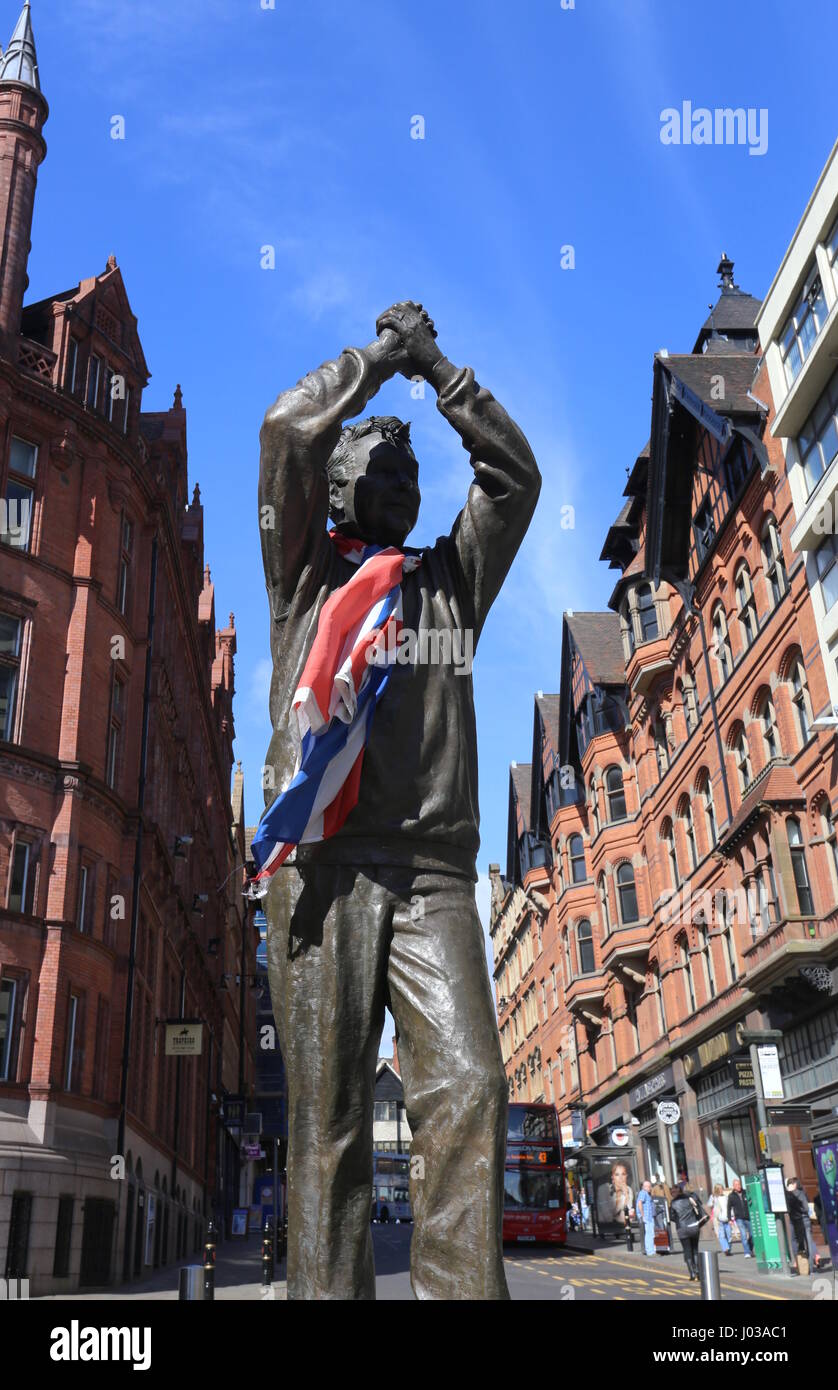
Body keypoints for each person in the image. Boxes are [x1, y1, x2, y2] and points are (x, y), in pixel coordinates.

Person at [255, 301, 540, 1301]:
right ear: (338, 483)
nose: (403, 482)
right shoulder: (305, 574)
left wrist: (440, 374)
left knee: (469, 1089)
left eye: (413, 472)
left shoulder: (449, 580)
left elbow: (515, 478)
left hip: (432, 878)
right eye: (381, 464)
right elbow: (288, 429)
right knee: (328, 1131)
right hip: (324, 875)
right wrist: (377, 361)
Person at [670, 1183, 706, 1280]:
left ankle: (692, 1273)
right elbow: (698, 1207)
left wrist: (679, 1220)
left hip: (682, 1228)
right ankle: (698, 1272)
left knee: (687, 1250)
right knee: (695, 1249)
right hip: (693, 1226)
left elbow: (672, 1217)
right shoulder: (689, 1198)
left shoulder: (673, 1203)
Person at [786, 1176, 820, 1271]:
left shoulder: (789, 1195)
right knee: (809, 1239)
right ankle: (815, 1256)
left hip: (795, 1220)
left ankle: (798, 1260)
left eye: (789, 1184)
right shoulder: (802, 1193)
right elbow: (806, 1207)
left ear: (794, 1185)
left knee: (794, 1240)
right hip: (805, 1219)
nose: (788, 1186)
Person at [728, 1178, 752, 1258]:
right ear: (733, 1186)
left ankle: (750, 1249)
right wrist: (729, 1219)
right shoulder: (731, 1196)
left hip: (748, 1217)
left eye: (739, 1184)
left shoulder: (746, 1192)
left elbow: (751, 1201)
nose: (738, 1186)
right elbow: (728, 1208)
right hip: (739, 1218)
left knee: (752, 1235)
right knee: (743, 1235)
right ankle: (747, 1252)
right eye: (736, 1185)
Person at [708, 1183, 732, 1256]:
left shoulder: (726, 1197)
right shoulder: (713, 1197)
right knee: (721, 1235)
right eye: (720, 1189)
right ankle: (726, 1249)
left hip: (727, 1219)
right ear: (717, 1190)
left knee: (729, 1235)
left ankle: (728, 1249)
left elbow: (729, 1207)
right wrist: (712, 1202)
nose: (722, 1190)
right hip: (718, 1220)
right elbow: (709, 1205)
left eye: (722, 1189)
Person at [636, 1179, 656, 1257]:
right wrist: (643, 1215)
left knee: (651, 1233)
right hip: (647, 1217)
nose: (649, 1188)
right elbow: (639, 1203)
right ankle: (650, 1251)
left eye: (649, 1186)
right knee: (649, 1234)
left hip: (649, 1216)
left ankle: (651, 1250)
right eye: (647, 1186)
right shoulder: (643, 1193)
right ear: (643, 1187)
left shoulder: (647, 1193)